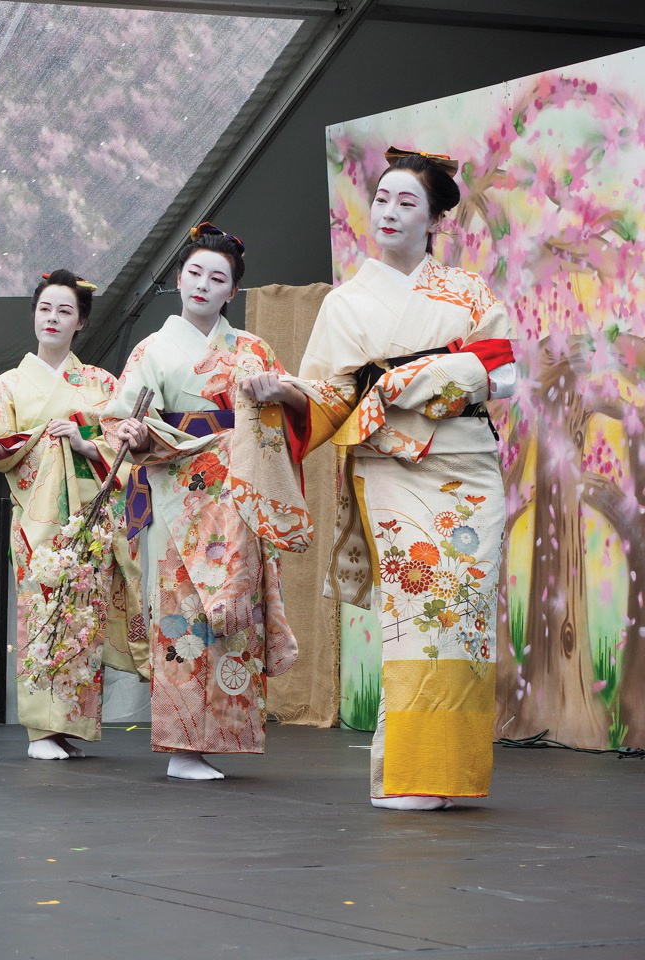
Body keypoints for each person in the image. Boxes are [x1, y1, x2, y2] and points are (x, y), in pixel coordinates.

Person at [290, 147, 517, 809]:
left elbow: (503, 373)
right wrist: (284, 394)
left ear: (435, 219)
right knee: (421, 609)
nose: (387, 211)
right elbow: (327, 397)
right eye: (382, 199)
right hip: (394, 466)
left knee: (464, 618)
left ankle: (446, 773)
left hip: (469, 467)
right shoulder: (345, 303)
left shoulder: (469, 292)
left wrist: (414, 379)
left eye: (405, 202)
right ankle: (408, 774)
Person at [102, 224, 313, 780]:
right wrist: (135, 435)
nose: (202, 283)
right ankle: (182, 747)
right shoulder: (152, 349)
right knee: (184, 614)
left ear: (231, 294)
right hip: (181, 495)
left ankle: (226, 733)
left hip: (239, 494)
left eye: (217, 277)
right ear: (178, 279)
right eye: (194, 272)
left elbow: (297, 409)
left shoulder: (254, 350)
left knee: (236, 616)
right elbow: (124, 417)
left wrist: (282, 392)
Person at [0, 270, 146, 760]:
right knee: (41, 612)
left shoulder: (101, 383)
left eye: (65, 311)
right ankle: (40, 732)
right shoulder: (10, 383)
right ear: (35, 316)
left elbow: (121, 440)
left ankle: (69, 727)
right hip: (37, 517)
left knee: (81, 615)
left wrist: (85, 441)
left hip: (87, 518)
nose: (53, 318)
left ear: (81, 322)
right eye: (46, 308)